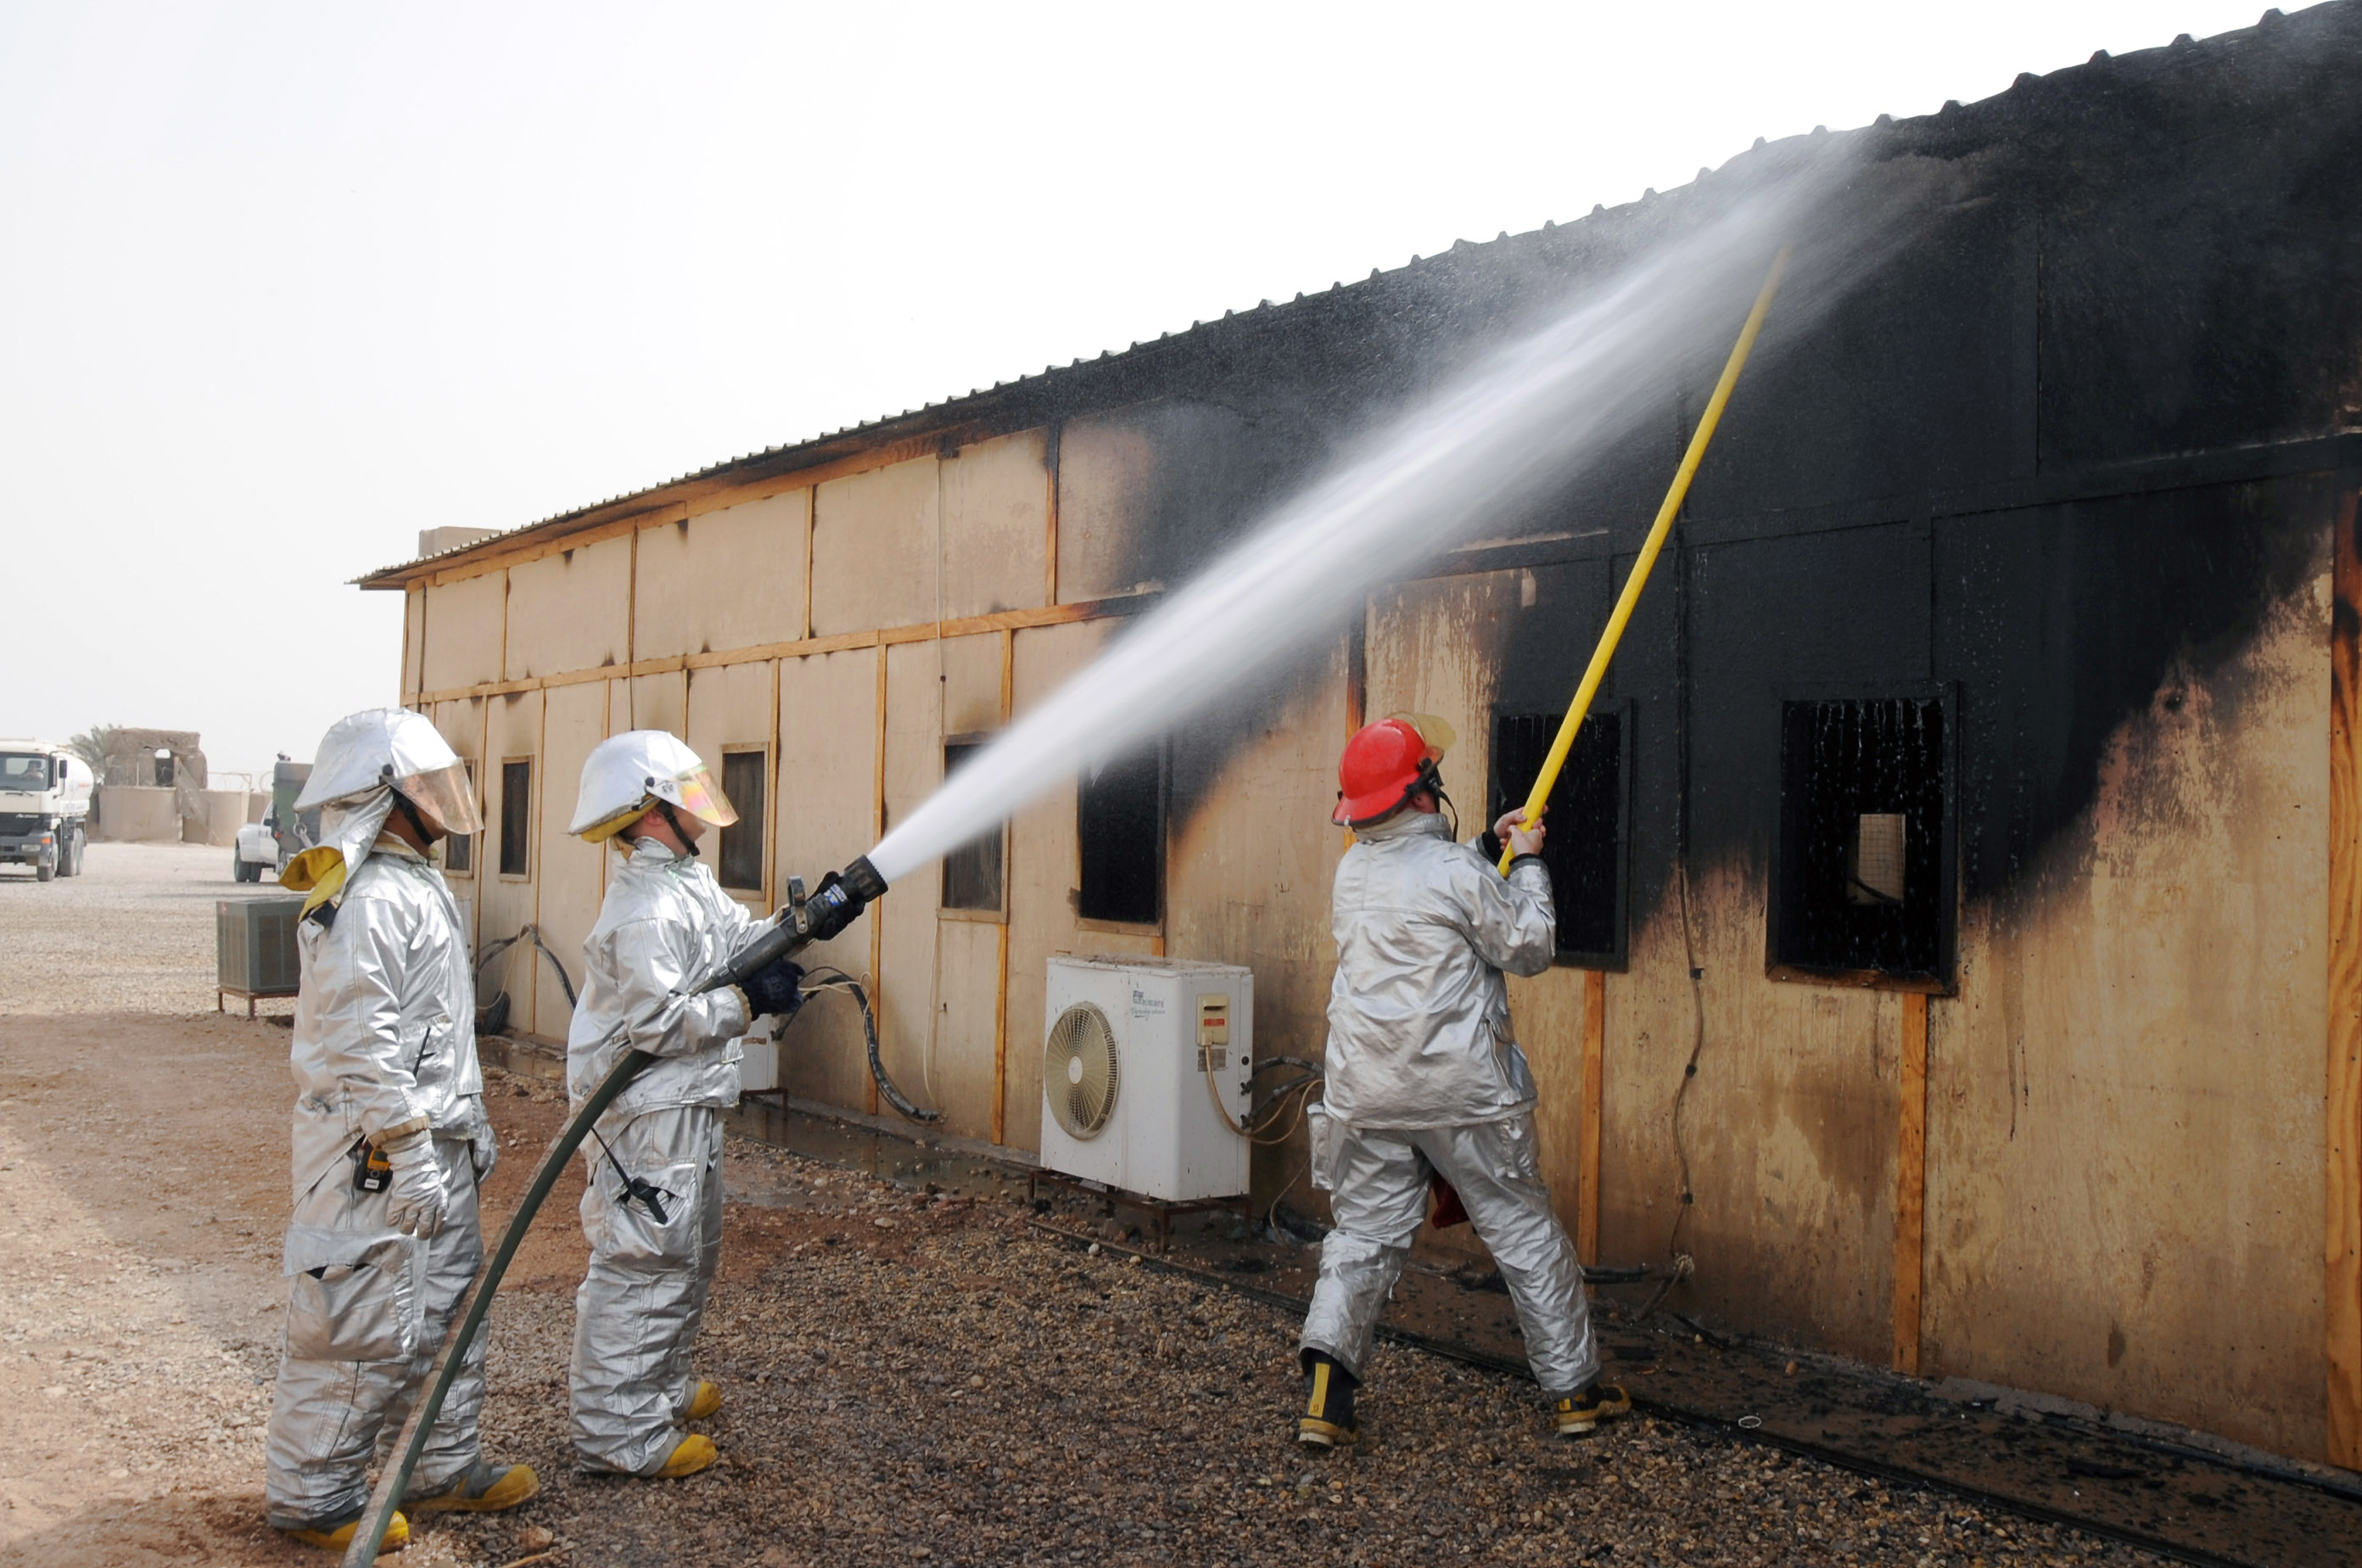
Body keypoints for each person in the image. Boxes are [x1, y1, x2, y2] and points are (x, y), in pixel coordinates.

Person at [1296, 714, 1629, 1448]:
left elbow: (1432, 893)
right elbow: (1530, 944)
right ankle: (1576, 1393)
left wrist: (1487, 845)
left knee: (1363, 1237)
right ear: (1425, 792)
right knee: (1521, 1229)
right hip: (1462, 1093)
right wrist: (1530, 860)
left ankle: (1326, 1397)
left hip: (1366, 1090)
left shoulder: (1352, 870)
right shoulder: (1453, 874)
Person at [265, 708, 538, 1551]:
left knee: (450, 1306)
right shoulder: (371, 895)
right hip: (373, 1153)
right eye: (426, 787)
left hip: (427, 1141)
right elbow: (360, 1041)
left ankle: (440, 1462)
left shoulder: (414, 884)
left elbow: (436, 1034)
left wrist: (466, 1126)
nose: (443, 801)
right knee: (357, 1315)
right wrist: (413, 1149)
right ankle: (313, 1494)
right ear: (383, 798)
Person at [563, 731, 806, 1480]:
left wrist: (808, 922)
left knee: (689, 1254)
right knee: (643, 1261)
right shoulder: (643, 909)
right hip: (645, 1110)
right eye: (686, 792)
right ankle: (617, 1434)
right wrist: (744, 1001)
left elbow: (737, 939)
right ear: (651, 810)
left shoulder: (686, 883)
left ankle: (658, 1388)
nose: (702, 806)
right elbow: (659, 1024)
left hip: (686, 1097)